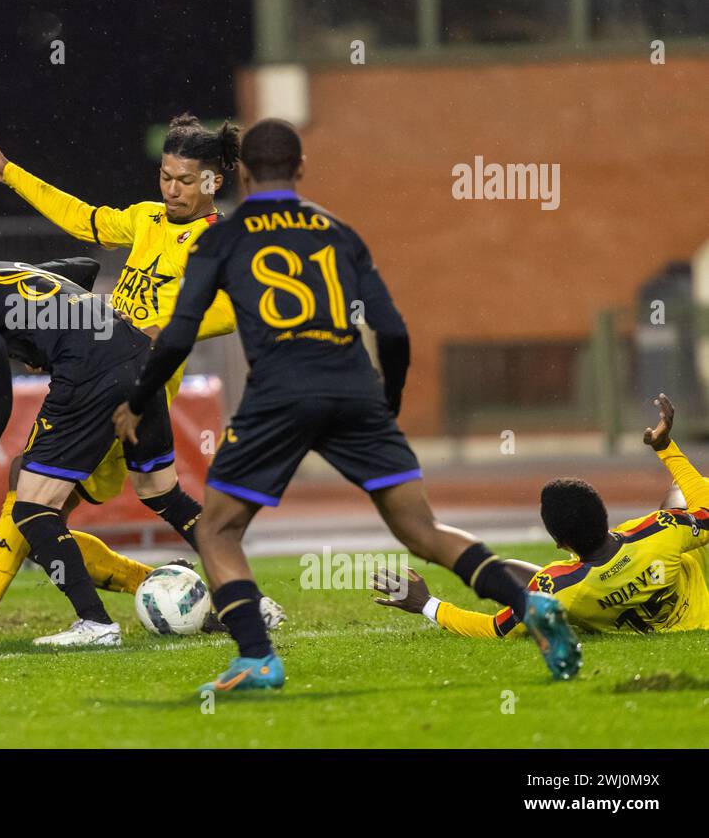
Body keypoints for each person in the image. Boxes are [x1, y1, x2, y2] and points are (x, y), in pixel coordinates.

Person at [114, 118, 581, 690]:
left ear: (237, 173)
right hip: (353, 387)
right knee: (423, 530)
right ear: (302, 169)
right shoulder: (340, 232)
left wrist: (138, 401)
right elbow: (394, 332)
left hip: (279, 393)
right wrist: (386, 402)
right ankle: (530, 607)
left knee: (217, 532)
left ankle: (258, 658)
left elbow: (178, 335)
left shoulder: (223, 238)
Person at [0, 116, 281, 642]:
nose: (172, 189)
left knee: (34, 500)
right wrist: (11, 174)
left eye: (185, 180)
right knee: (105, 503)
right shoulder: (147, 219)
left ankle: (19, 614)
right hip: (112, 378)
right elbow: (84, 219)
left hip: (123, 390)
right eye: (165, 176)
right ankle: (240, 598)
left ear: (212, 184)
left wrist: (164, 330)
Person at [0, 256, 203, 646]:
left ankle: (95, 624)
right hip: (137, 357)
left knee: (31, 510)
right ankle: (247, 599)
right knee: (163, 495)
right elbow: (83, 266)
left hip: (90, 375)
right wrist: (42, 338)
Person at [374, 394, 709, 637]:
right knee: (679, 494)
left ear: (559, 542)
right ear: (604, 513)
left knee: (504, 570)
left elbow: (495, 628)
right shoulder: (659, 531)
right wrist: (666, 447)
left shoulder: (557, 586)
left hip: (601, 604)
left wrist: (426, 604)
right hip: (692, 609)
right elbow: (705, 514)